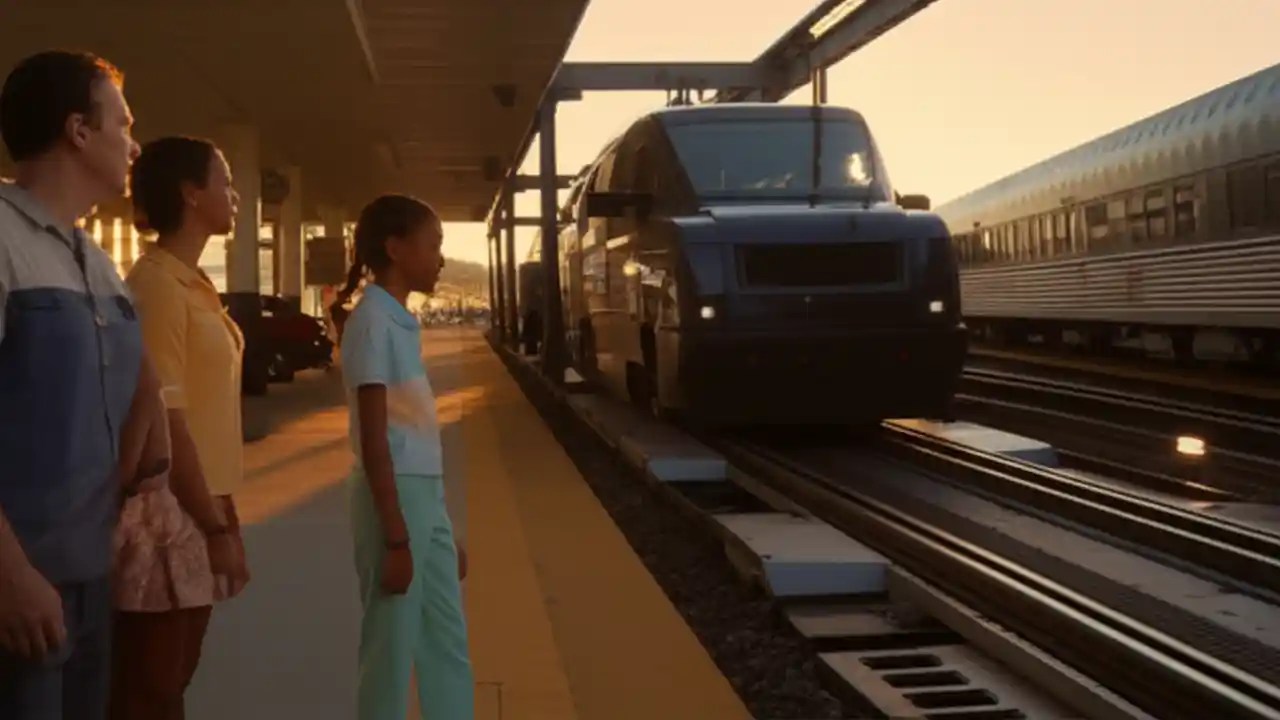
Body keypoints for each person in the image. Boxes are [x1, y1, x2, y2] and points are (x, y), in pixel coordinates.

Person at [0, 50, 142, 719]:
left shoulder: (100, 263)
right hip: (19, 590)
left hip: (90, 582)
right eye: (122, 122)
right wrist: (10, 574)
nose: (134, 142)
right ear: (77, 131)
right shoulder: (3, 241)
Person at [121, 136, 252, 710]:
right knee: (151, 691)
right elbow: (166, 418)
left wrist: (225, 514)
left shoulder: (195, 284)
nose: (236, 194)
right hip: (167, 513)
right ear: (190, 194)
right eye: (225, 181)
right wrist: (215, 524)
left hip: (203, 504)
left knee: (172, 681)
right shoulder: (155, 284)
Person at [335, 195, 472, 720]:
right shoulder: (372, 323)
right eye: (433, 244)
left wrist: (440, 526)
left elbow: (409, 434)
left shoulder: (397, 321)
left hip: (420, 498)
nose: (440, 257)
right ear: (395, 248)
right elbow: (374, 442)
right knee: (390, 647)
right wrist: (397, 535)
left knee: (446, 638)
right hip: (391, 500)